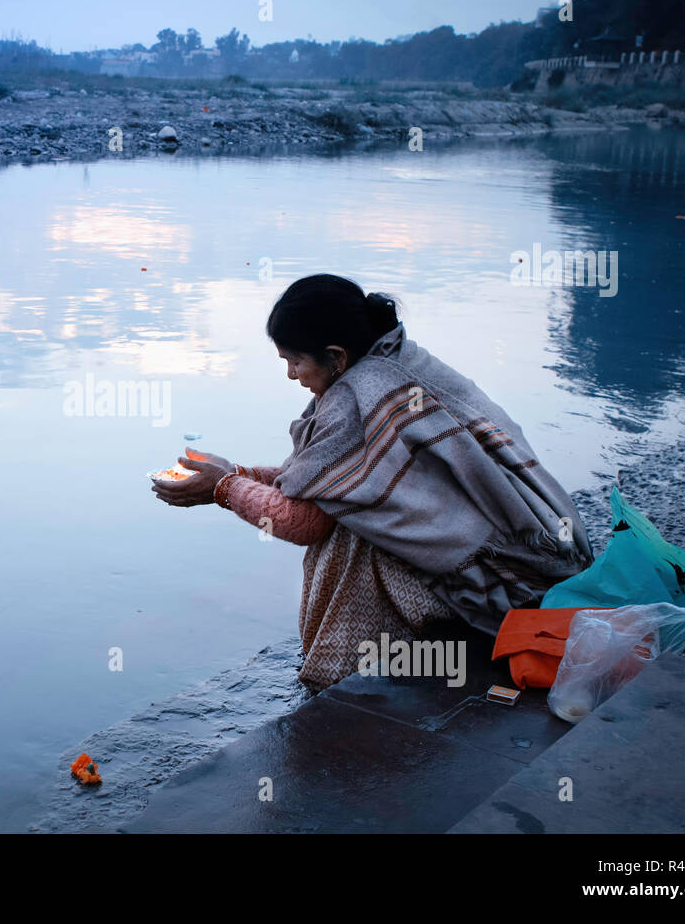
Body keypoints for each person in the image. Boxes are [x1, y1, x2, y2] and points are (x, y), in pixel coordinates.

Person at [151, 274, 594, 688]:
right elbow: (316, 479)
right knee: (353, 502)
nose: (291, 375)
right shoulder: (396, 355)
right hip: (548, 556)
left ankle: (342, 673)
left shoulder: (354, 396)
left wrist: (223, 489)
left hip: (508, 583)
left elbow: (304, 522)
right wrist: (238, 474)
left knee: (352, 536)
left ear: (336, 356)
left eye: (295, 361)